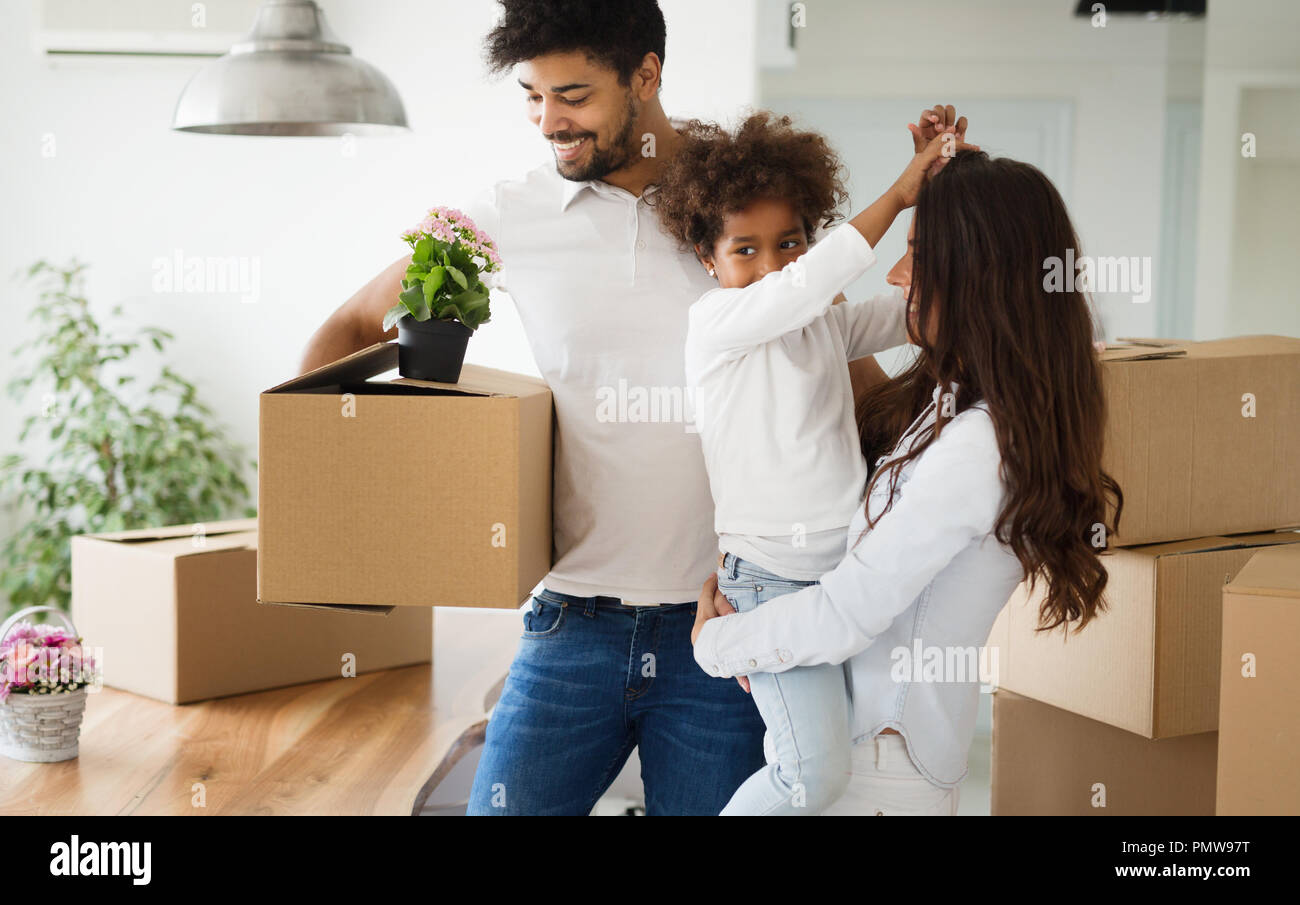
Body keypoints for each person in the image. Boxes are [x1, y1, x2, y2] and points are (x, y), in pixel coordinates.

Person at [297, 0, 926, 815]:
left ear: (646, 75)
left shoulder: (745, 210)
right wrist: (318, 507)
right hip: (571, 625)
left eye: (574, 96)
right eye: (532, 96)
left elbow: (854, 386)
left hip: (724, 626)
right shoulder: (508, 215)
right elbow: (353, 324)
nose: (549, 122)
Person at [691, 149, 1124, 816]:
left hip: (878, 776)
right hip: (867, 753)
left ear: (977, 277)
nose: (896, 274)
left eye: (918, 255)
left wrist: (715, 643)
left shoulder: (981, 443)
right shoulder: (950, 408)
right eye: (746, 249)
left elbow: (848, 611)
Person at [650, 111, 972, 814]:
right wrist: (899, 191)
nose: (774, 266)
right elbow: (799, 289)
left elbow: (916, 310)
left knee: (846, 773)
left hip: (848, 580)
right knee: (813, 777)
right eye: (746, 250)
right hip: (769, 584)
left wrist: (953, 197)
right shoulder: (715, 328)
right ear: (708, 260)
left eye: (791, 243)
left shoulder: (824, 323)